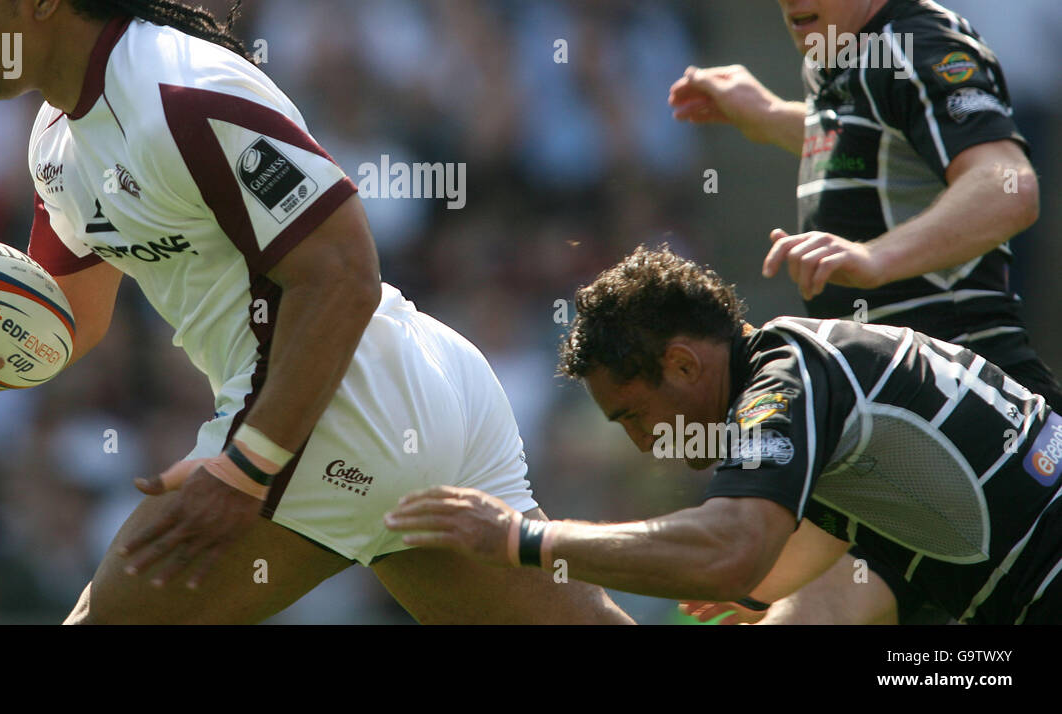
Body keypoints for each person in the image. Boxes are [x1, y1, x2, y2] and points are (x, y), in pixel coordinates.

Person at [0, 0, 630, 625]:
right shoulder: (55, 140)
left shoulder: (180, 93)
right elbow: (67, 318)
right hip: (416, 392)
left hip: (339, 410)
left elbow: (343, 274)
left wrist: (245, 470)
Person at [665, 0, 1060, 622]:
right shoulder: (851, 69)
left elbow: (1010, 185)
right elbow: (875, 149)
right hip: (899, 433)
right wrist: (770, 115)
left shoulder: (920, 47)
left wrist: (872, 259)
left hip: (969, 416)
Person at [385, 245, 1062, 625]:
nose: (643, 444)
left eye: (634, 415)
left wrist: (519, 539)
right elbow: (826, 577)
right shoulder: (813, 379)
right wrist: (754, 595)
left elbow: (731, 550)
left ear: (684, 364)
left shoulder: (785, 385)